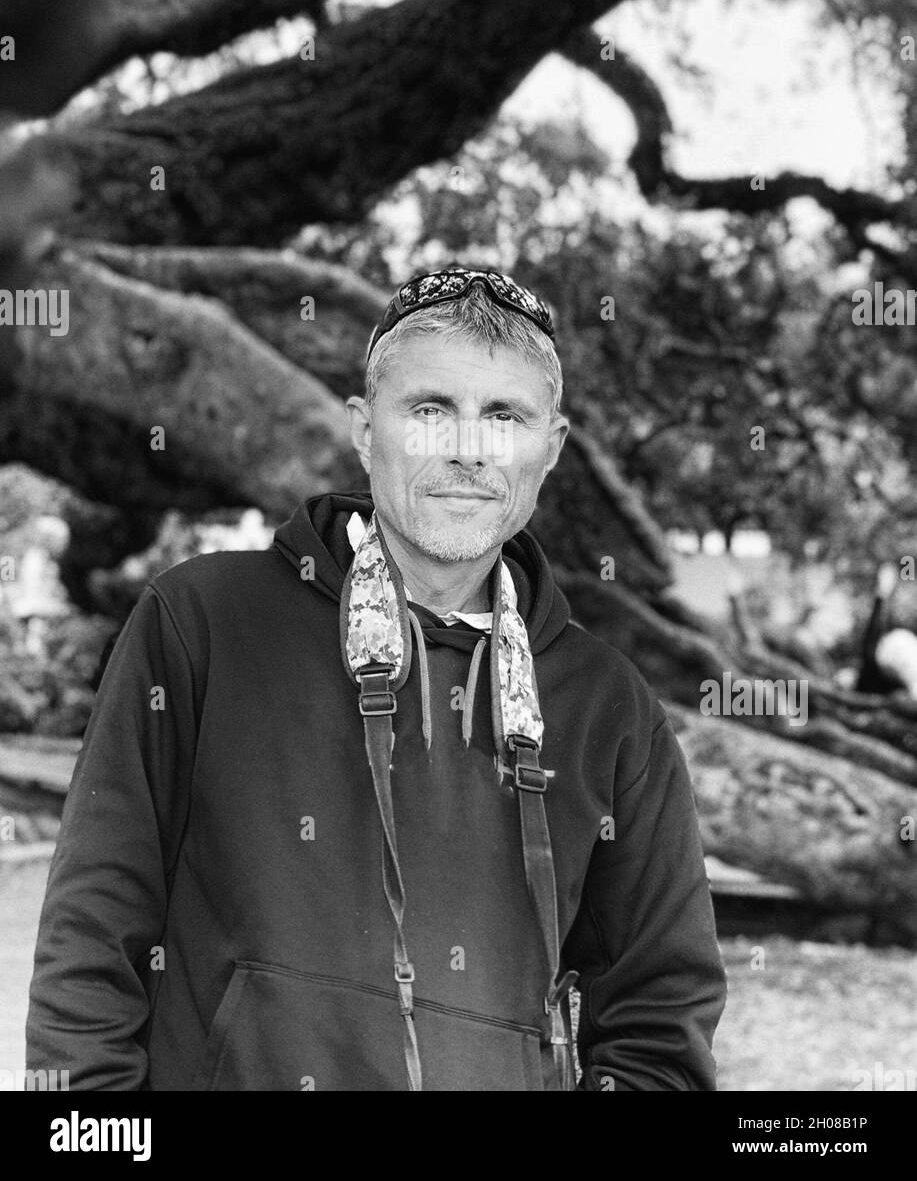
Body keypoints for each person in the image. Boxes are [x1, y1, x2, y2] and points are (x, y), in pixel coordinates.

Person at [27, 265, 726, 1091]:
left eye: (504, 416)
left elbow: (657, 1023)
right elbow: (91, 937)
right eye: (430, 410)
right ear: (365, 430)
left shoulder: (609, 708)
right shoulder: (205, 623)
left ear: (553, 446)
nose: (468, 448)